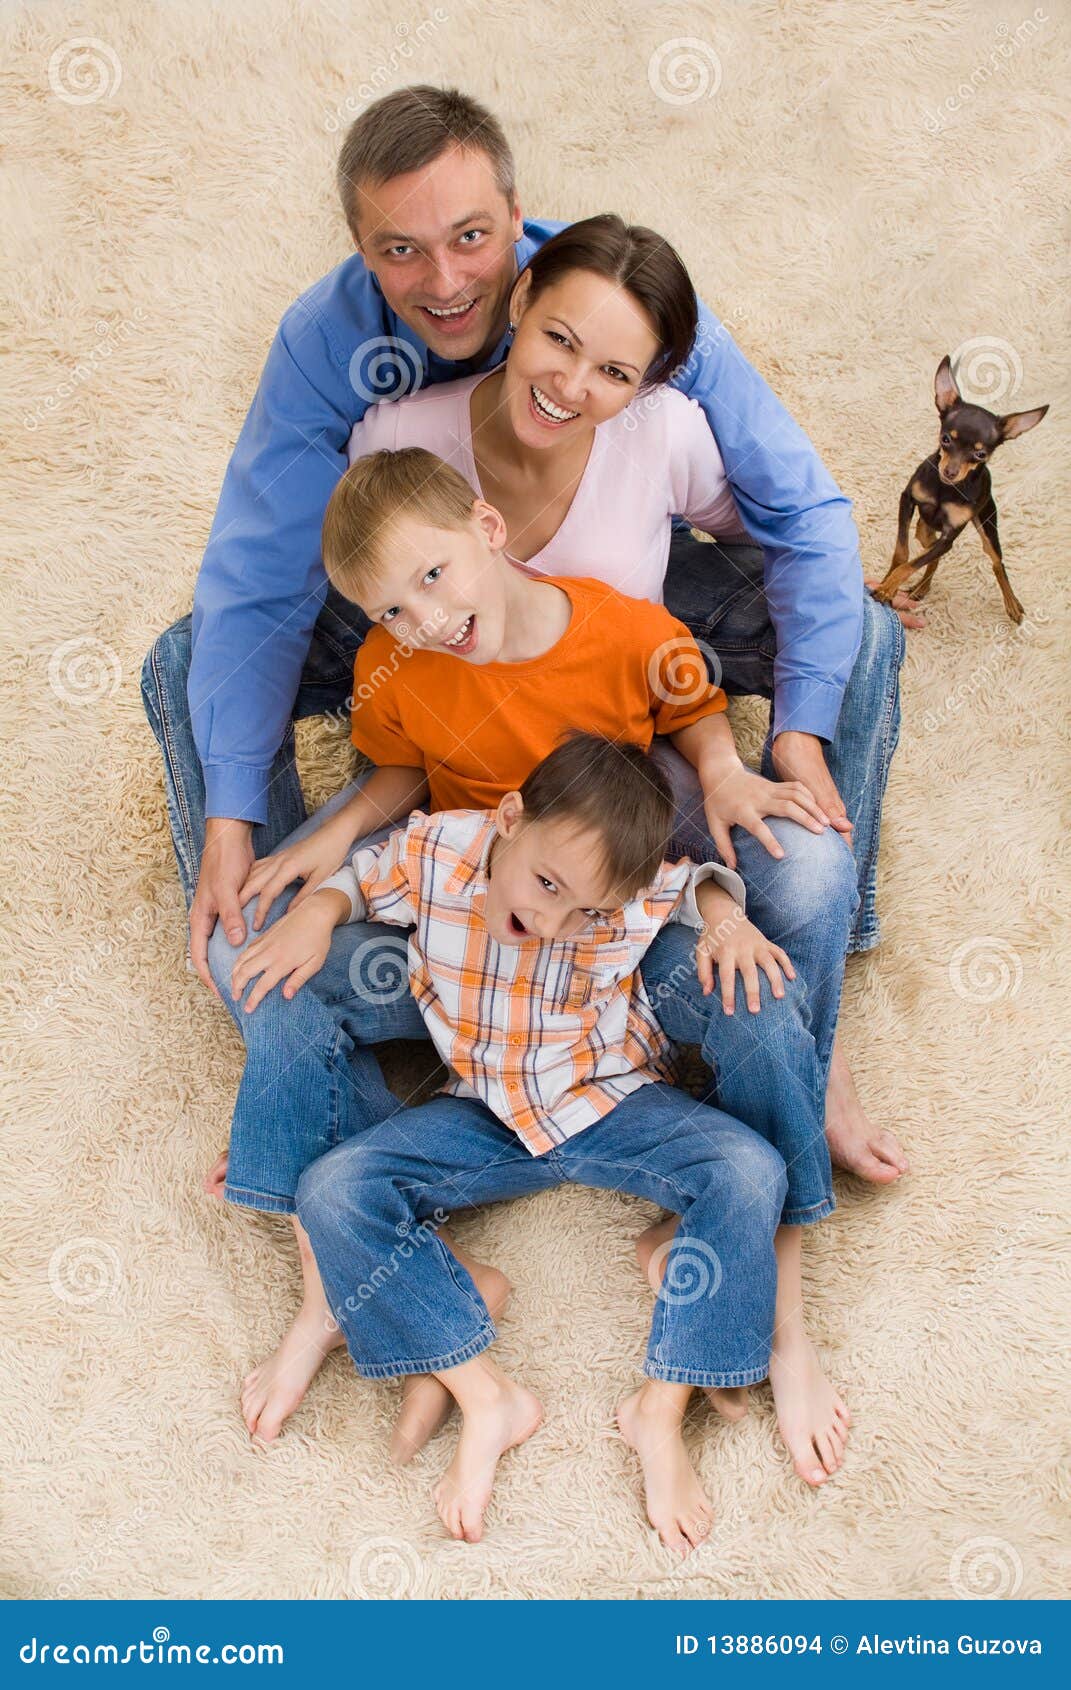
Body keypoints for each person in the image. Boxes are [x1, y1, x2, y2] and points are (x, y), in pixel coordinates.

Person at [140, 86, 917, 1189]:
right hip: (434, 591)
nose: (446, 280)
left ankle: (809, 993)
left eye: (470, 238)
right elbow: (265, 571)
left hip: (612, 632)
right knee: (193, 657)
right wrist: (233, 816)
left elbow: (793, 517)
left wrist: (780, 742)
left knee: (849, 648)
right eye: (400, 250)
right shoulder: (351, 373)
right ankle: (301, 1000)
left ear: (521, 227)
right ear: (361, 248)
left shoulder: (619, 318)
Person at [220, 450, 849, 1488]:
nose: (421, 618)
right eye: (391, 606)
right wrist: (319, 884)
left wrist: (726, 847)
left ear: (488, 526)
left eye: (433, 577)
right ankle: (345, 1288)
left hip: (606, 945)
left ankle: (741, 1338)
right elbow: (391, 805)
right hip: (483, 1077)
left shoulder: (617, 645)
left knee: (757, 1039)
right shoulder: (442, 814)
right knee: (260, 969)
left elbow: (680, 861)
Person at [255, 733, 829, 1550]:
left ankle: (658, 1410)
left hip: (613, 1103)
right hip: (482, 1115)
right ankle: (485, 1394)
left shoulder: (617, 894)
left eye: (583, 912)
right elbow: (359, 874)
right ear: (510, 816)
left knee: (749, 1166)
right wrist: (317, 911)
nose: (548, 921)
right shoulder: (440, 849)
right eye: (546, 884)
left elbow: (691, 883)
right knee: (334, 1191)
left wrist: (726, 920)